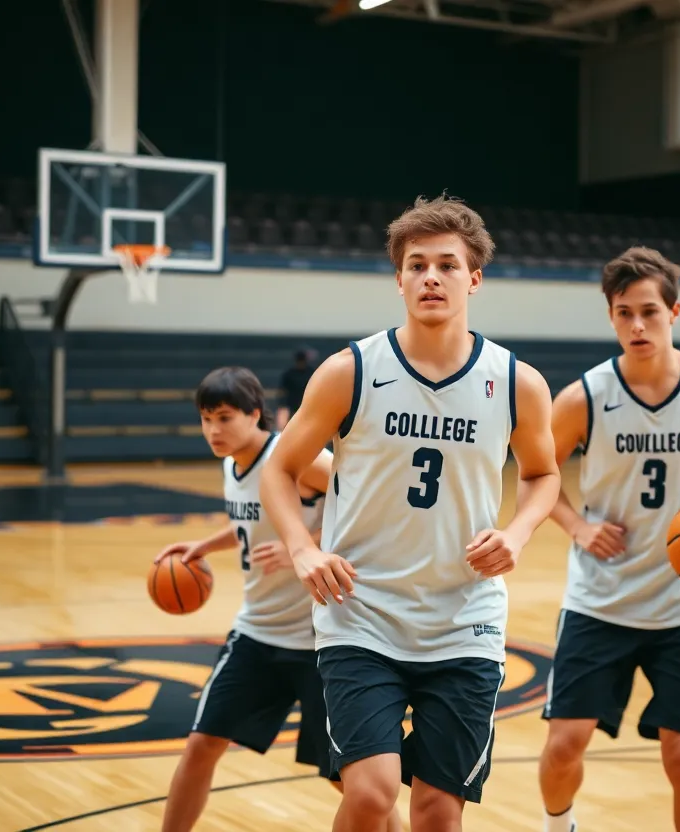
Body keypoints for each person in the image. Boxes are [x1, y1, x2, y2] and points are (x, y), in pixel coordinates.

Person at [259, 195, 561, 832]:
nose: (431, 276)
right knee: (370, 794)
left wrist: (518, 530)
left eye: (448, 265)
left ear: (473, 279)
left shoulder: (516, 382)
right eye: (417, 264)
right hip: (361, 615)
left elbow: (542, 475)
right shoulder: (350, 372)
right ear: (397, 277)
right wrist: (303, 549)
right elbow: (279, 470)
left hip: (464, 620)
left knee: (436, 811)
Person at [537, 247, 680, 832]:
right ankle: (557, 825)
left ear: (674, 311)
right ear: (611, 317)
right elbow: (537, 473)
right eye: (624, 313)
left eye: (649, 311)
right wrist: (578, 526)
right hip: (602, 599)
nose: (637, 325)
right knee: (565, 744)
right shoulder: (584, 397)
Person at [154, 367, 402, 832]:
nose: (213, 429)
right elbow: (255, 522)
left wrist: (303, 545)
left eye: (224, 417)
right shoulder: (232, 466)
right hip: (257, 633)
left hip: (321, 642)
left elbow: (367, 506)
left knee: (352, 781)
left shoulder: (295, 457)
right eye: (205, 418)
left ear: (255, 415)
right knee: (201, 744)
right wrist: (205, 546)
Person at [276, 348, 315, 428]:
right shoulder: (290, 374)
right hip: (293, 406)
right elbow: (282, 391)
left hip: (306, 406)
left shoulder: (310, 373)